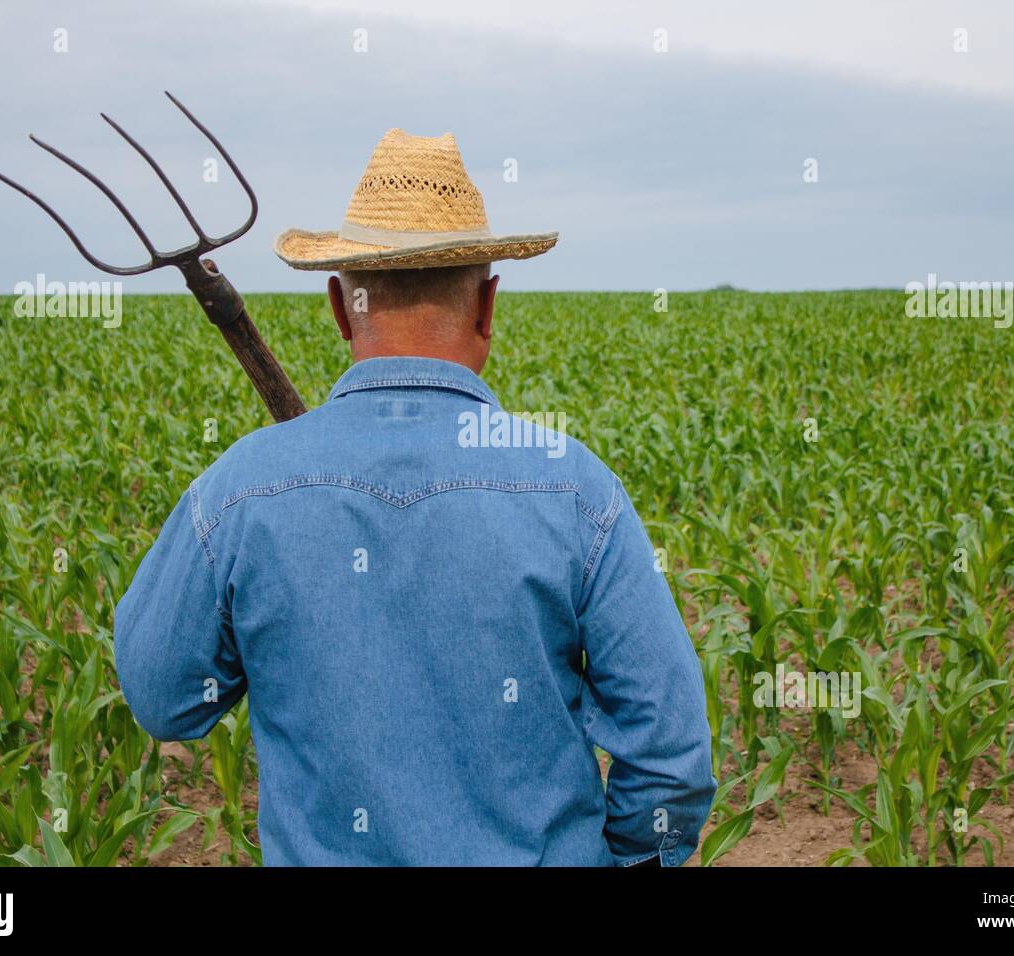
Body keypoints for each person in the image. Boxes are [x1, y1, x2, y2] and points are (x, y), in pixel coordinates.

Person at [114, 128, 715, 866]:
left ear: (341, 307)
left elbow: (163, 698)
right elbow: (671, 759)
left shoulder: (240, 493)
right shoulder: (576, 489)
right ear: (487, 305)